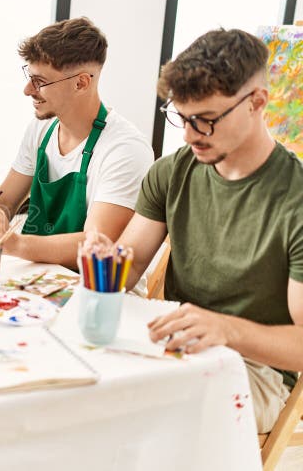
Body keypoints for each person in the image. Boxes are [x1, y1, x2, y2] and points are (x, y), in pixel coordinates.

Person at [112, 28, 303, 434]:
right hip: (173, 346)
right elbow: (124, 271)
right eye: (181, 116)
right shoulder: (172, 170)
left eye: (206, 120)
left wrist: (227, 329)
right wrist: (102, 263)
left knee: (140, 416)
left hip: (256, 371)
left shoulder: (296, 201)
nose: (189, 134)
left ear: (257, 102)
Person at [0, 17, 153, 270]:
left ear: (81, 83)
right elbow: (4, 203)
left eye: (40, 81)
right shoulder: (40, 129)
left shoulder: (125, 150)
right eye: (29, 77)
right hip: (36, 274)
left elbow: (96, 245)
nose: (27, 90)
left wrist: (17, 245)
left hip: (89, 286)